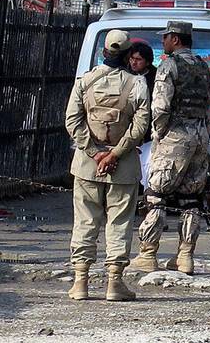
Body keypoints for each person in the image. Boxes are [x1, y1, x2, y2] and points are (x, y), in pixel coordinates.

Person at [65, 30, 151, 301]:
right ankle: (115, 283)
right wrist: (115, 154)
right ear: (128, 55)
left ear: (104, 51)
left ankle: (80, 282)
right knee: (120, 222)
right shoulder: (137, 84)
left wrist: (94, 152)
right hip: (122, 167)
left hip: (87, 166)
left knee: (85, 220)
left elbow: (72, 121)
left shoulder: (85, 82)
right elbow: (141, 125)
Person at [131, 20, 210, 275]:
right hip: (199, 135)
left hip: (174, 137)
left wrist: (160, 133)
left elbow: (161, 106)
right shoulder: (203, 67)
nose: (163, 41)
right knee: (191, 199)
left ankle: (147, 253)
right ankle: (185, 255)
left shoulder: (169, 65)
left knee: (156, 193)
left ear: (175, 39)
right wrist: (203, 134)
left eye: (166, 37)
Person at [125, 39, 157, 187]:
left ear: (148, 61)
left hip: (150, 131)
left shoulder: (157, 78)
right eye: (132, 59)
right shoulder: (125, 75)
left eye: (138, 59)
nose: (134, 62)